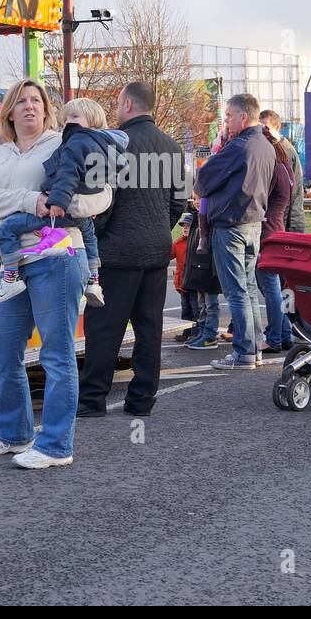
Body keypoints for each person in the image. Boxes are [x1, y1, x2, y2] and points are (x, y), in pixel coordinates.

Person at [0, 79, 105, 468]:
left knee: (57, 354)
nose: (30, 107)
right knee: (3, 351)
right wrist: (31, 200)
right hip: (13, 263)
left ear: (47, 109)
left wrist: (64, 205)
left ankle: (55, 446)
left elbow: (100, 194)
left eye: (37, 101)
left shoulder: (64, 144)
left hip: (58, 258)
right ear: (9, 112)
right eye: (22, 101)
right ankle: (14, 433)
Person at [78, 82, 186, 415]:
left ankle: (92, 400)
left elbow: (100, 203)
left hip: (116, 253)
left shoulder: (110, 145)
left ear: (126, 103)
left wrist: (97, 235)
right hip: (156, 250)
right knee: (149, 329)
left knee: (104, 329)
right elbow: (178, 201)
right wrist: (157, 229)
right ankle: (141, 401)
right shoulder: (172, 147)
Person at [0, 97, 127, 306]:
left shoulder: (77, 141)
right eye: (65, 120)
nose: (67, 124)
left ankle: (10, 277)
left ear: (92, 120)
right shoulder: (106, 145)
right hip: (81, 215)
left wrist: (58, 202)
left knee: (9, 227)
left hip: (61, 209)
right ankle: (93, 280)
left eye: (73, 117)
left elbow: (68, 174)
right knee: (89, 236)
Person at [193, 92, 275, 370]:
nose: (225, 121)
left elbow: (202, 179)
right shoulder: (265, 145)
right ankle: (253, 348)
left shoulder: (238, 146)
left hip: (231, 223)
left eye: (228, 116)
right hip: (254, 222)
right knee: (249, 288)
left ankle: (243, 353)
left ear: (243, 116)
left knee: (237, 291)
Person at [257, 125, 295, 354]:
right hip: (277, 228)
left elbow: (259, 199)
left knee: (269, 286)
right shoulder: (285, 167)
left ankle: (274, 337)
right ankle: (283, 334)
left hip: (266, 231)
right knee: (273, 286)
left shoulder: (273, 168)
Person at [182, 193, 223, 349]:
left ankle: (210, 335)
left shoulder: (210, 219)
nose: (196, 202)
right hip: (198, 269)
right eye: (194, 199)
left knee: (211, 305)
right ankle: (202, 332)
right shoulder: (195, 218)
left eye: (200, 198)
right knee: (201, 305)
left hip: (209, 269)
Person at [260, 110, 305, 233]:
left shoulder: (284, 151)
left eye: (266, 127)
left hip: (286, 220)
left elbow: (289, 192)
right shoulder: (270, 147)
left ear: (277, 128)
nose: (263, 132)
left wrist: (292, 226)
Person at [172, 212, 196, 340]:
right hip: (182, 283)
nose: (185, 228)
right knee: (185, 309)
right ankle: (186, 332)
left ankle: (195, 333)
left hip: (193, 282)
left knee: (195, 309)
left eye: (188, 226)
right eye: (184, 226)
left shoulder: (196, 242)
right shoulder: (178, 243)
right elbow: (168, 255)